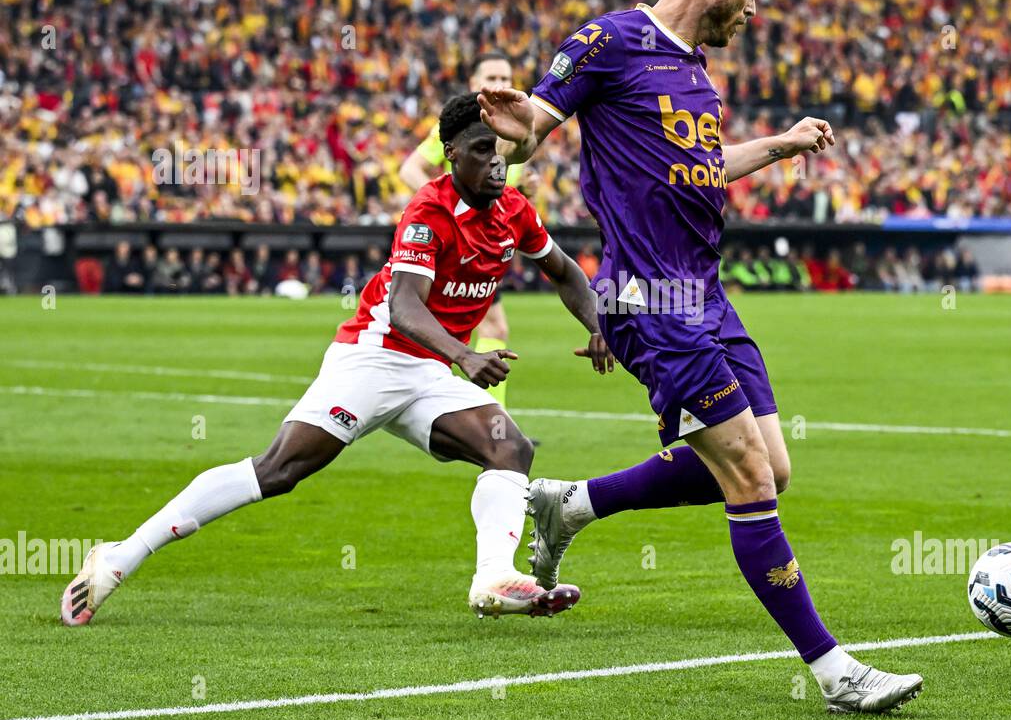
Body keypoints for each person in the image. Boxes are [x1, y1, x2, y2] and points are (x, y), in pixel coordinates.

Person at [478, 0, 921, 714]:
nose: (756, 9)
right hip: (652, 301)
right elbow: (532, 127)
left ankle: (569, 503)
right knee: (749, 476)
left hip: (706, 295)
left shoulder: (694, 69)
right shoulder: (608, 40)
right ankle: (834, 671)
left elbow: (703, 171)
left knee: (773, 466)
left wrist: (780, 146)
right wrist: (513, 136)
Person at [61, 94, 615, 628]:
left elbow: (565, 272)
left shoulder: (514, 212)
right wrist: (464, 355)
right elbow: (402, 307)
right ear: (450, 152)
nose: (495, 162)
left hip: (427, 373)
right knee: (278, 471)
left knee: (508, 447)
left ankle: (493, 578)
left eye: (501, 151)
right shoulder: (428, 210)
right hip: (372, 359)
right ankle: (119, 556)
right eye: (479, 149)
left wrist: (597, 327)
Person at [400, 52, 523, 411]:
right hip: (456, 244)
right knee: (492, 328)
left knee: (485, 328)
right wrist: (451, 212)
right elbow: (410, 170)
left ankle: (477, 414)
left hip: (488, 242)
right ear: (474, 84)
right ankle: (487, 417)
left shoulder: (511, 129)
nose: (501, 84)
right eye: (492, 77)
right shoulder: (462, 128)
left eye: (506, 77)